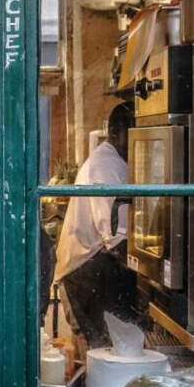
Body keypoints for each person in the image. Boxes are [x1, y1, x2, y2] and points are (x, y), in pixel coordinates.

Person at [52, 103, 141, 353]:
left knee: (103, 349)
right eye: (130, 133)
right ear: (114, 131)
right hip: (86, 271)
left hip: (95, 269)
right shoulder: (105, 165)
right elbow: (115, 237)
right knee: (98, 351)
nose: (134, 141)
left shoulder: (115, 161)